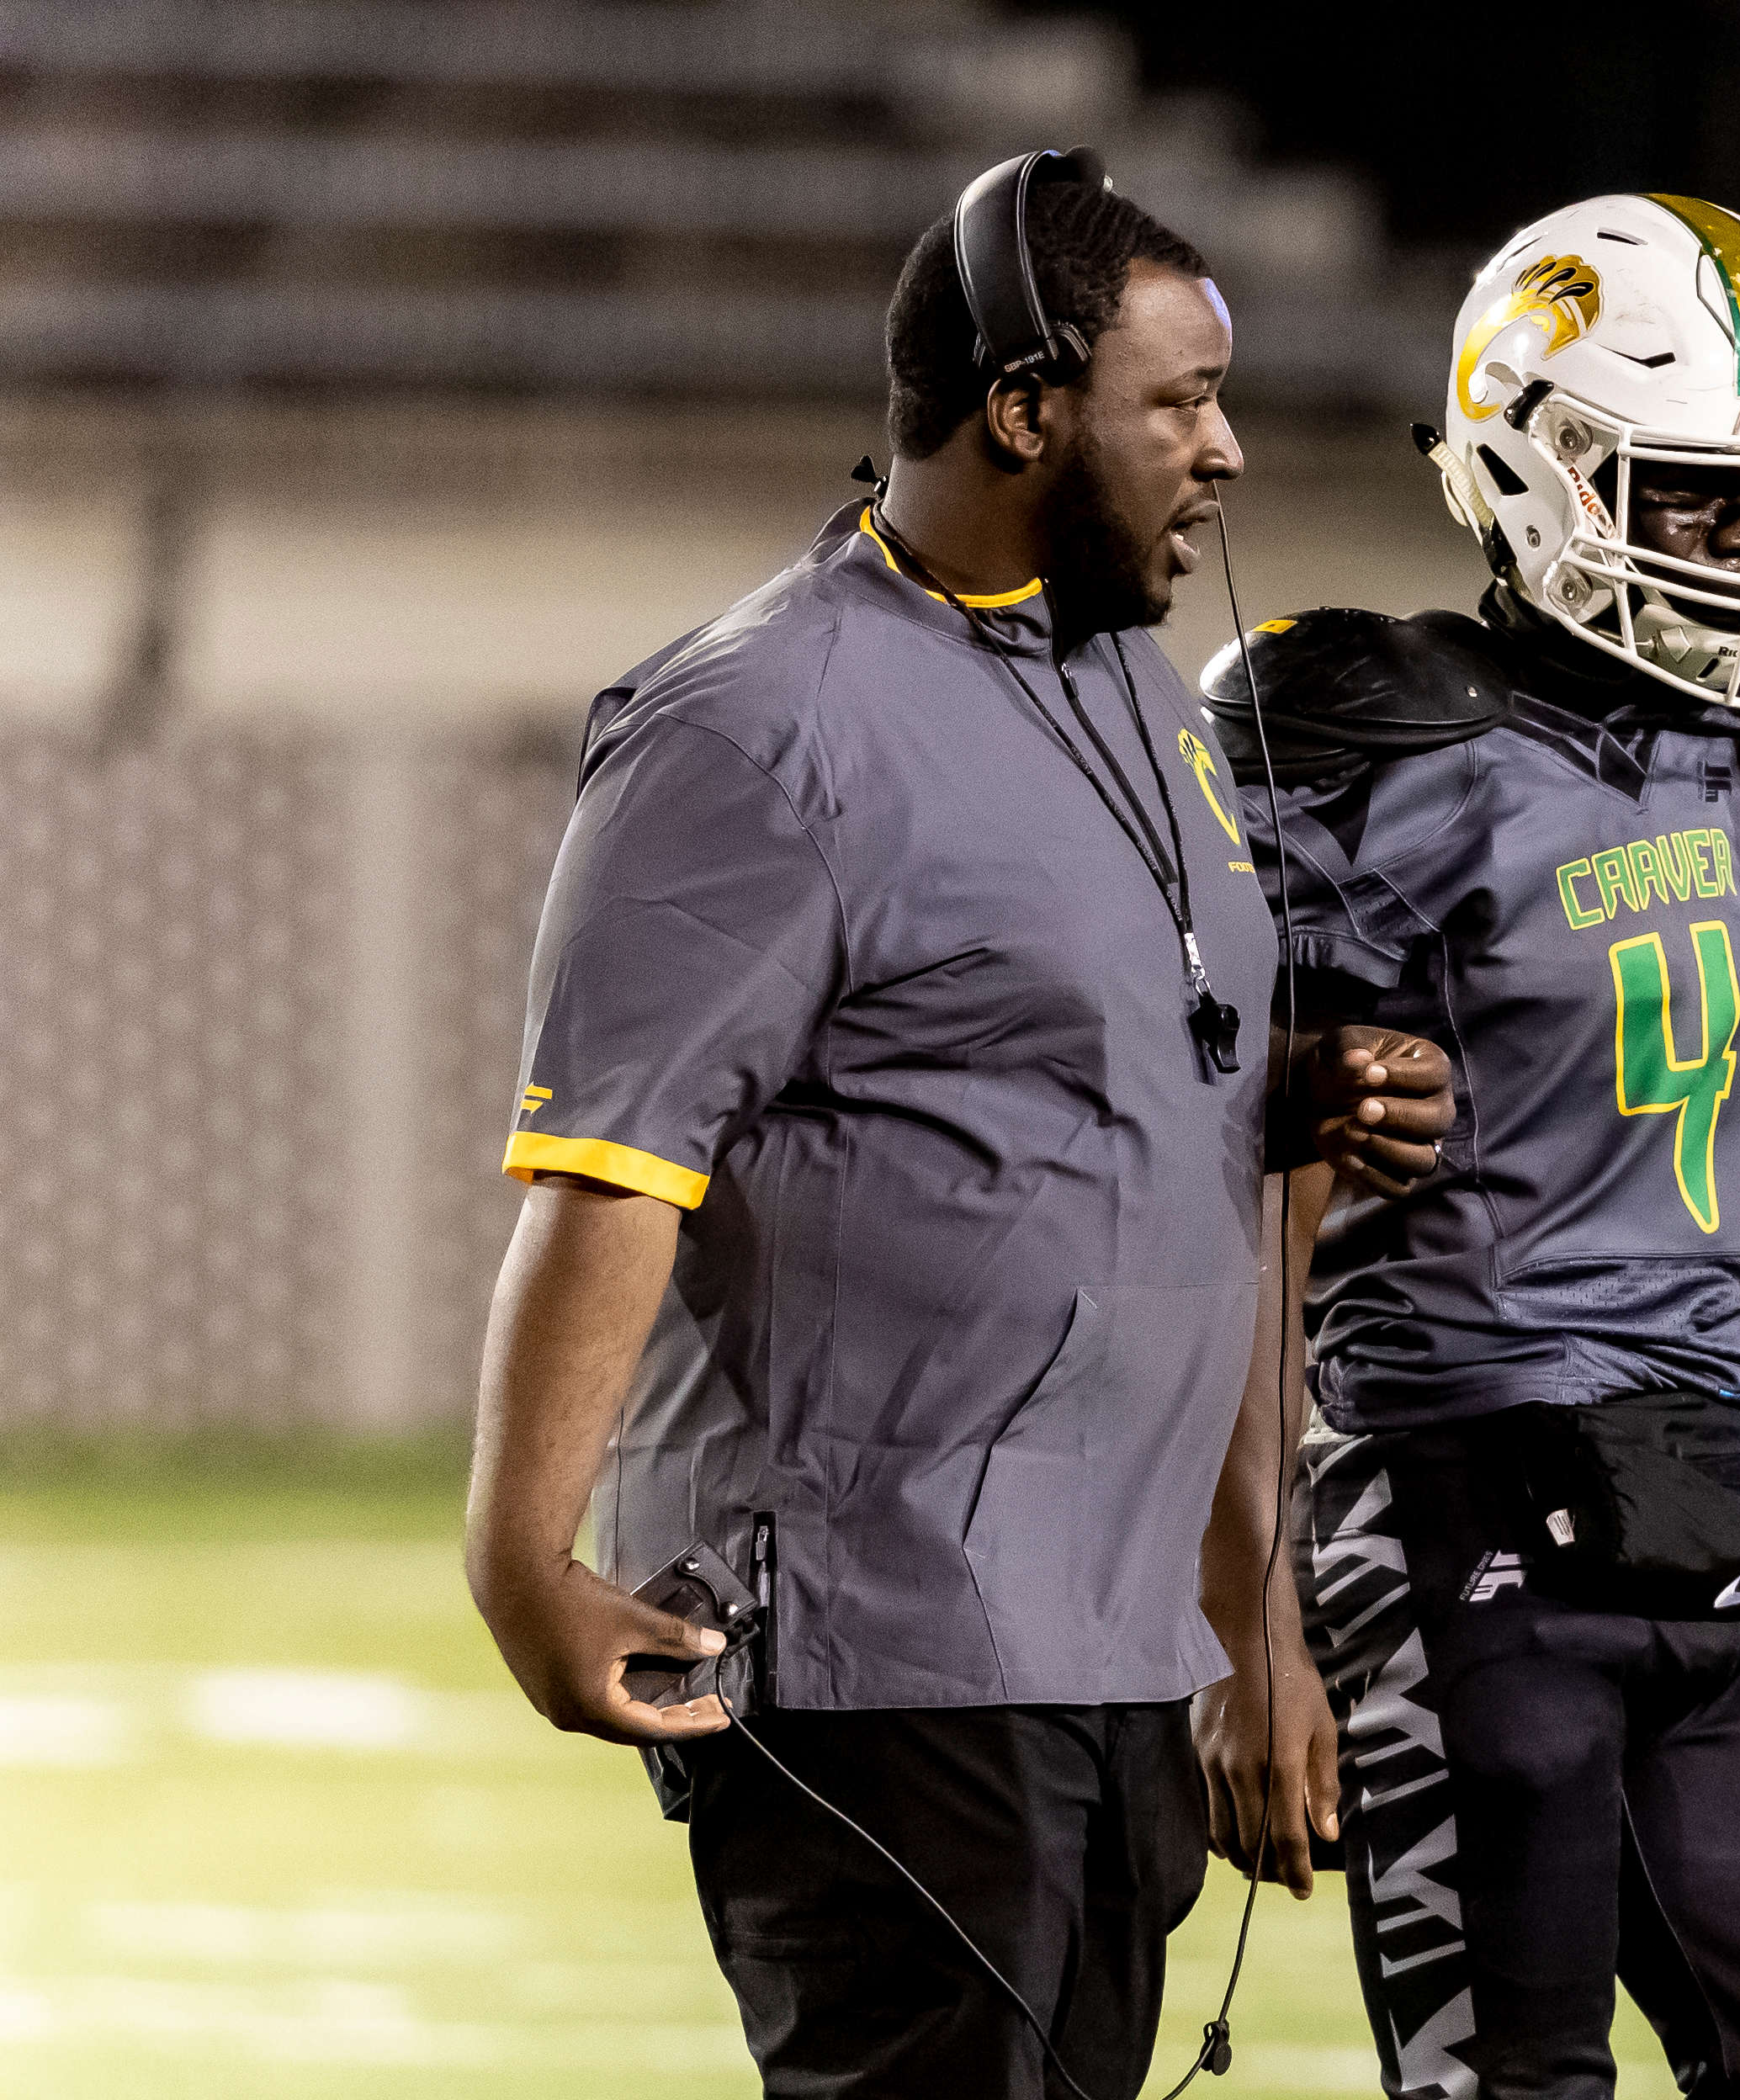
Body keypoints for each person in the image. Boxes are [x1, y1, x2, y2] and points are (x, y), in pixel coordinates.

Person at [462, 151, 1451, 2100]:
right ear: (1024, 408)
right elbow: (610, 1164)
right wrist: (521, 1560)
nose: (1229, 450)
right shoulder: (756, 728)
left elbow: (1111, 1109)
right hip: (882, 1637)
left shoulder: (1135, 687)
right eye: (1179, 400)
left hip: (1114, 1634)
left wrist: (1295, 1100)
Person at [1190, 194, 1740, 2099]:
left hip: (1709, 1511)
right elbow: (1242, 1206)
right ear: (1539, 471)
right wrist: (1248, 1621)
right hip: (1458, 1504)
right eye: (1710, 495)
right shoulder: (1358, 735)